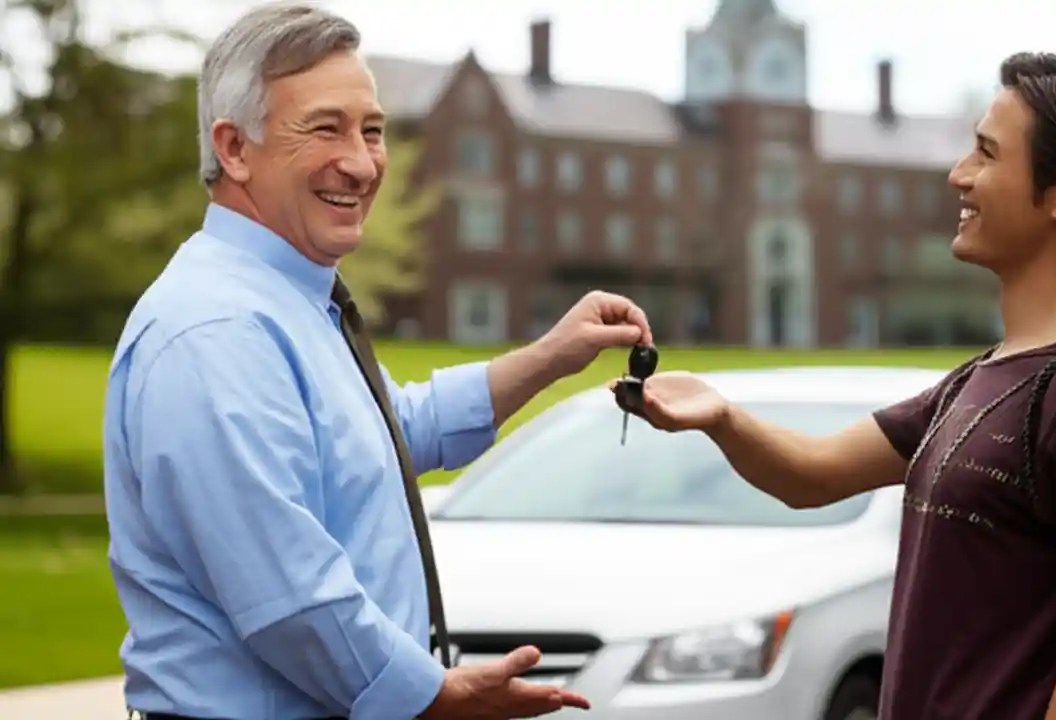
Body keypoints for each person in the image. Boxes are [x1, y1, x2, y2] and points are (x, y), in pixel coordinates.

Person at [102, 4, 649, 719]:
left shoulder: (285, 302)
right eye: (325, 128)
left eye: (373, 130)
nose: (362, 164)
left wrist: (550, 357)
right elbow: (291, 596)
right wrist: (432, 698)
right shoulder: (217, 331)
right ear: (234, 149)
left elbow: (388, 436)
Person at [627, 52, 1056, 719]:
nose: (959, 175)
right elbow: (814, 473)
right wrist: (721, 417)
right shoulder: (981, 379)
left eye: (986, 154)